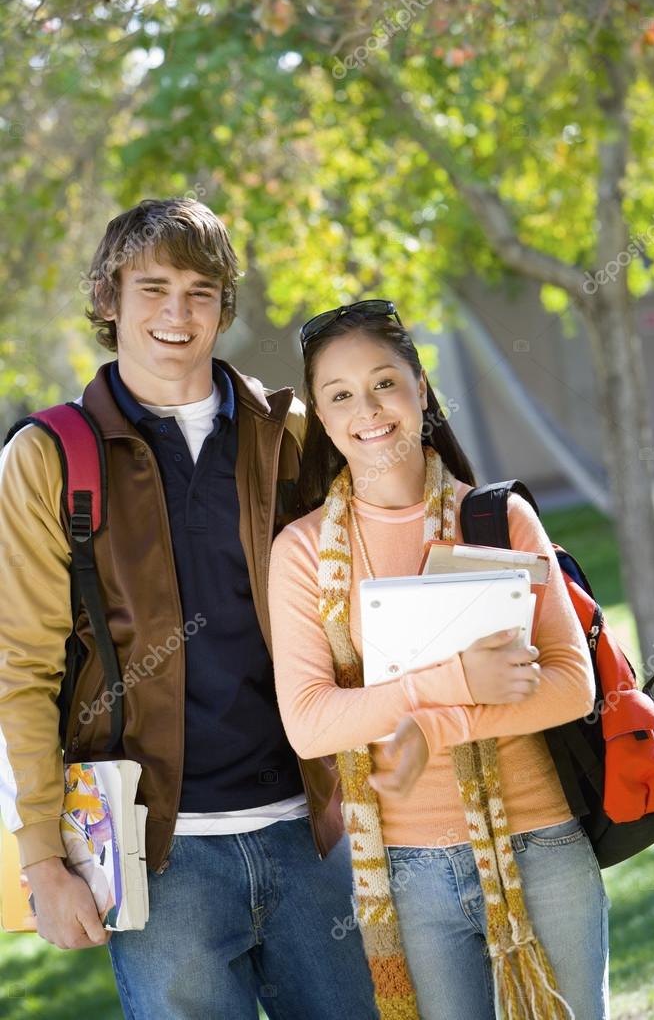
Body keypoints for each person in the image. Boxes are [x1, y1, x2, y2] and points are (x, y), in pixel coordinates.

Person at [0, 200, 379, 1020]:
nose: (179, 313)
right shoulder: (48, 458)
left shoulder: (292, 435)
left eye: (201, 291)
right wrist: (41, 861)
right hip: (156, 859)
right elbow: (21, 670)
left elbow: (364, 592)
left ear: (225, 306)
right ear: (108, 297)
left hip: (311, 831)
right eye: (154, 287)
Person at [268, 301, 610, 1020]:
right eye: (340, 395)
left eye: (385, 382)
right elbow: (309, 721)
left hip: (541, 842)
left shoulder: (498, 517)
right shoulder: (299, 552)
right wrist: (455, 681)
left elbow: (571, 684)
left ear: (421, 389)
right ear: (323, 421)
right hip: (406, 874)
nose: (368, 409)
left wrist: (434, 727)